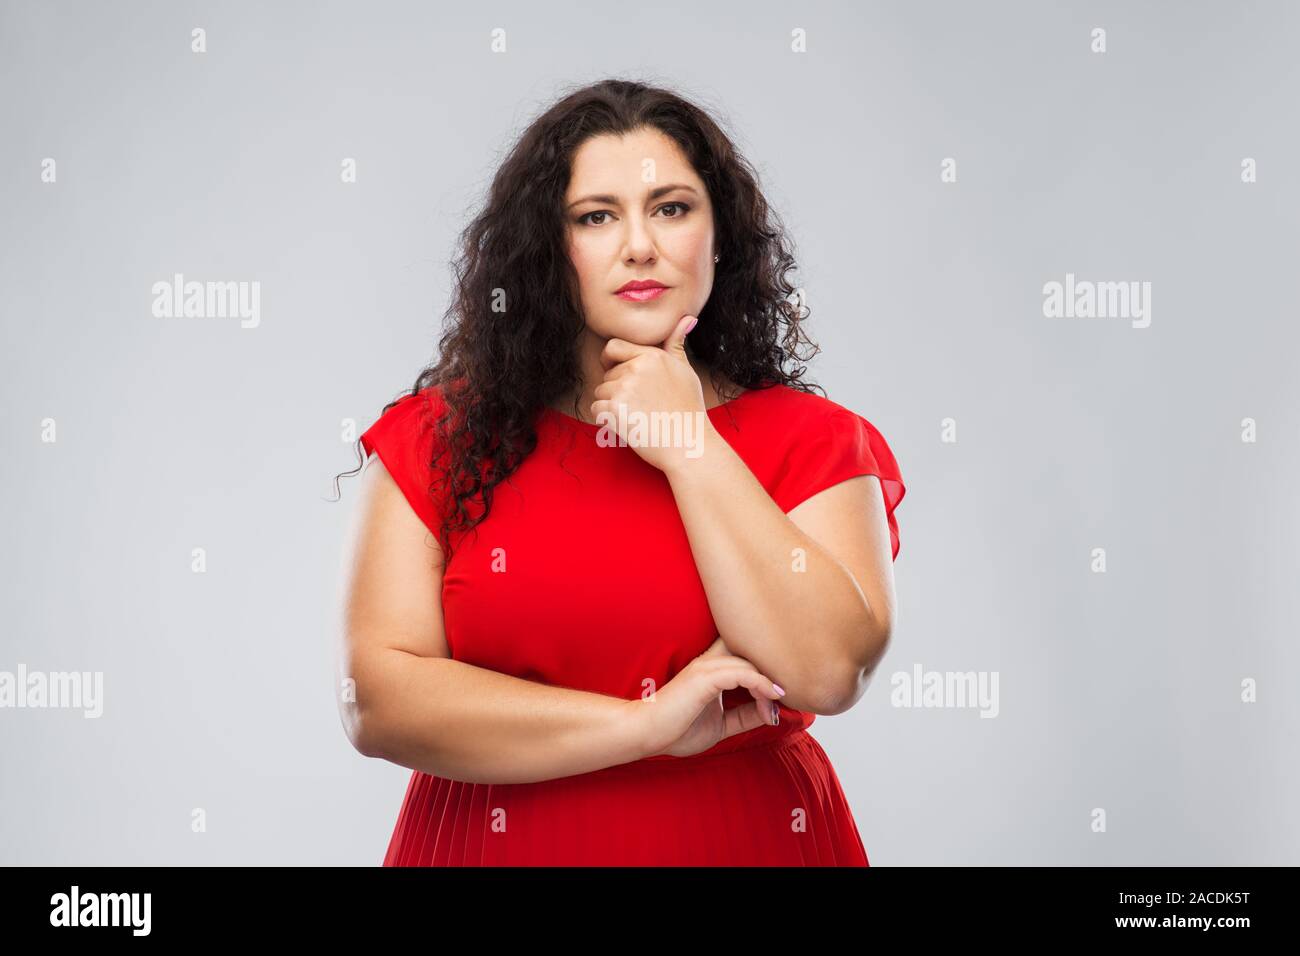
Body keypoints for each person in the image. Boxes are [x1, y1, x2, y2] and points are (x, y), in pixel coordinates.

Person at [335, 79, 906, 866]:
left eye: (671, 208)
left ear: (720, 236)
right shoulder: (439, 439)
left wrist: (687, 440)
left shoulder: (815, 441)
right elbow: (377, 700)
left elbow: (829, 671)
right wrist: (646, 728)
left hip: (744, 839)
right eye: (596, 216)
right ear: (547, 247)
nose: (640, 245)